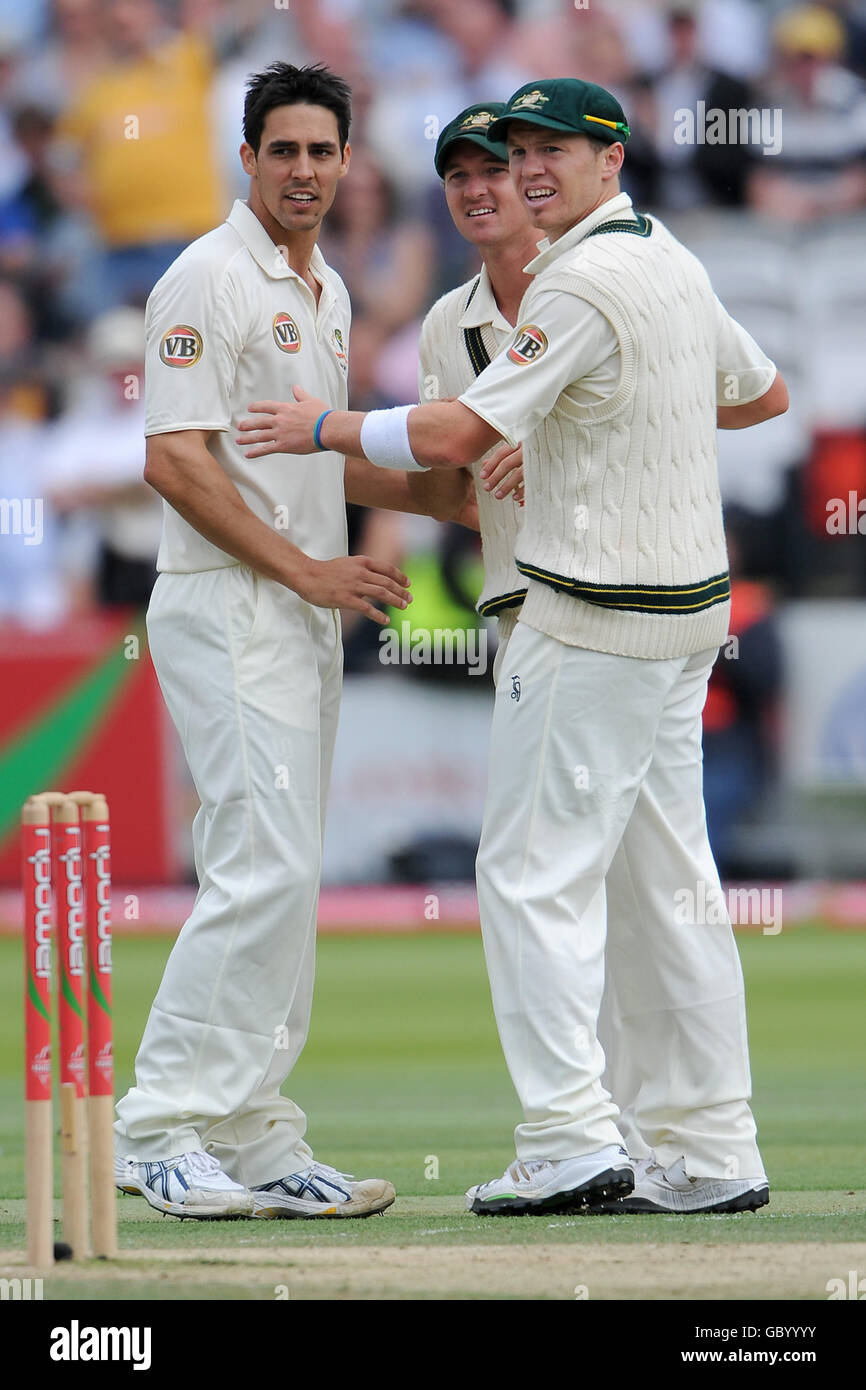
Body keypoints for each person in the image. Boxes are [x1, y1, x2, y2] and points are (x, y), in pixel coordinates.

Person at [237, 76, 790, 1217]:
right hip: (652, 612)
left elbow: (748, 396)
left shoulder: (595, 273)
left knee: (529, 877)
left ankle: (569, 1141)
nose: (505, 179)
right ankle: (709, 1150)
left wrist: (313, 425)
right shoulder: (471, 316)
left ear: (607, 160)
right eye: (480, 166)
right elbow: (451, 473)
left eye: (532, 156)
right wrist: (322, 463)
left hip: (590, 610)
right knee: (661, 887)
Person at [114, 62, 417, 1221]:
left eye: (320, 152)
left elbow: (323, 457)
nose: (301, 171)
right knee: (258, 865)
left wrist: (470, 497)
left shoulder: (325, 289)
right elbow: (172, 459)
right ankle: (159, 1127)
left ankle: (251, 1129)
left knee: (290, 877)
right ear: (247, 159)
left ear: (346, 164)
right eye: (281, 151)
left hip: (296, 607)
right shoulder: (206, 276)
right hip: (226, 604)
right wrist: (305, 569)